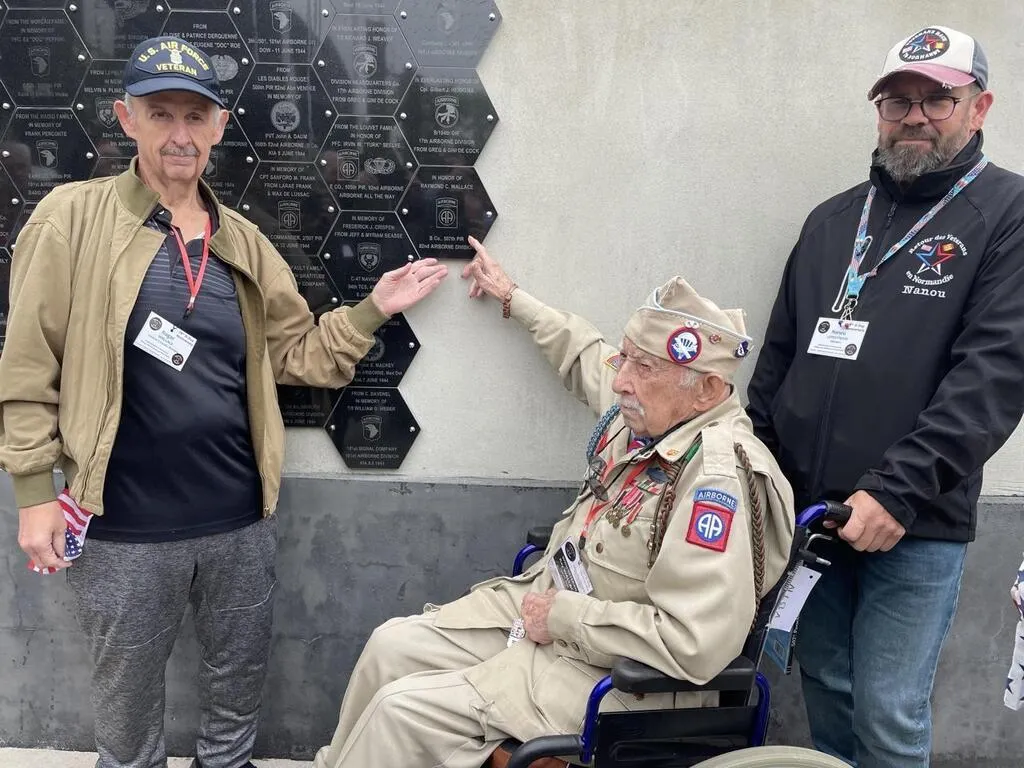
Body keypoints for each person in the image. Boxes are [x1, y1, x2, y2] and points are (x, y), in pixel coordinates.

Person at [0, 35, 446, 768]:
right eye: (160, 113)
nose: (179, 134)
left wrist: (371, 309)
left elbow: (298, 353)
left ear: (217, 126)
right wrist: (32, 493)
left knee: (235, 707)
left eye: (195, 116)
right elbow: (26, 367)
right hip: (123, 530)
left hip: (239, 523)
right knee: (127, 718)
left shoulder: (242, 241)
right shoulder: (69, 220)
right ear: (126, 118)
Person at [310, 237, 796, 768]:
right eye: (627, 359)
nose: (623, 380)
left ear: (706, 391)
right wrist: (512, 295)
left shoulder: (717, 481)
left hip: (618, 680)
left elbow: (690, 643)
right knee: (391, 647)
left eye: (643, 368)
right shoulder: (653, 413)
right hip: (549, 615)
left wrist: (565, 618)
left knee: (401, 711)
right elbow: (583, 351)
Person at [746, 24, 1024, 767]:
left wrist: (896, 494)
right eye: (897, 101)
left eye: (938, 99)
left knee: (889, 712)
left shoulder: (1007, 215)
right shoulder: (834, 220)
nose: (914, 116)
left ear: (980, 106)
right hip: (816, 519)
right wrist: (762, 478)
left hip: (913, 521)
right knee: (830, 690)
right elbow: (778, 362)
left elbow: (993, 376)